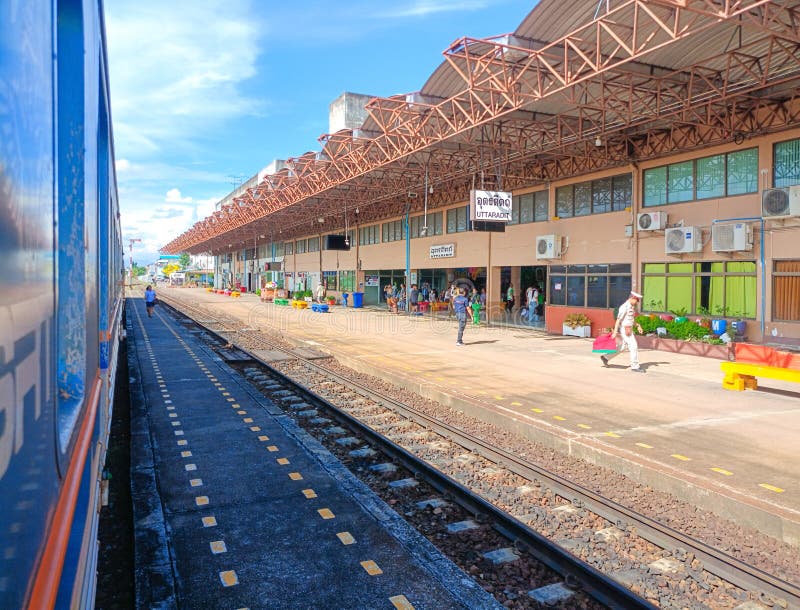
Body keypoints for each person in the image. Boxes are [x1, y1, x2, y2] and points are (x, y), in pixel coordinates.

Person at [602, 290, 645, 373]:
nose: (637, 302)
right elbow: (618, 320)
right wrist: (615, 332)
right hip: (625, 330)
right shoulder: (624, 307)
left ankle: (605, 357)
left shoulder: (631, 307)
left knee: (623, 347)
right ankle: (635, 366)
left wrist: (638, 325)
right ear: (632, 298)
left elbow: (631, 319)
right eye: (636, 300)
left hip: (629, 329)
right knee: (633, 345)